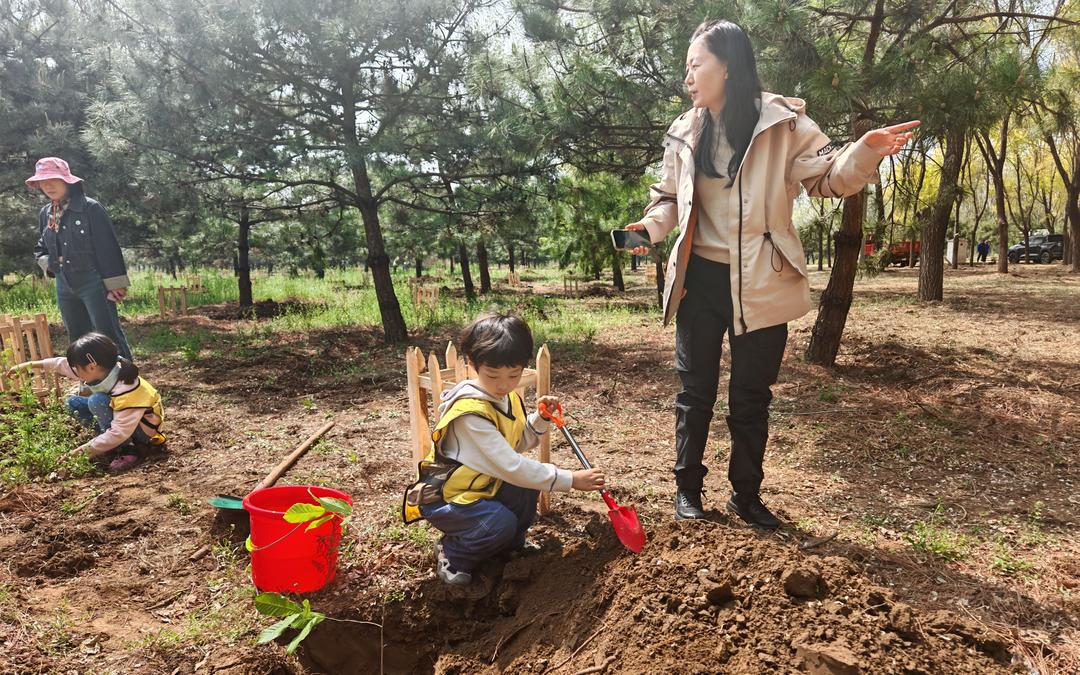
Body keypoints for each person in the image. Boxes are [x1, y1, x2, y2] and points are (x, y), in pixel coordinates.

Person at [624, 20, 918, 529]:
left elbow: (828, 178)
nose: (688, 77)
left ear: (728, 66)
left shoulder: (783, 123)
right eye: (687, 68)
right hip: (701, 281)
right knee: (695, 394)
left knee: (751, 396)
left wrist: (865, 150)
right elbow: (668, 200)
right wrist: (647, 231)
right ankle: (687, 492)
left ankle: (746, 495)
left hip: (762, 278)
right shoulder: (685, 129)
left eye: (696, 65)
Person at [402, 313, 606, 585]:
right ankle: (454, 553)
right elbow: (510, 466)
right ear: (473, 364)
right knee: (498, 522)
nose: (504, 384)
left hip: (483, 486)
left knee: (525, 488)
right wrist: (569, 479)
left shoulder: (504, 398)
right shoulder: (470, 415)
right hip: (450, 498)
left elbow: (517, 442)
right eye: (493, 375)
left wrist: (539, 419)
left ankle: (509, 546)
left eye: (514, 375)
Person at [7, 333, 165, 473]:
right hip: (123, 423)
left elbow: (119, 432)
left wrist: (77, 454)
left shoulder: (127, 388)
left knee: (97, 401)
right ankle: (105, 442)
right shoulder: (105, 369)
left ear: (91, 366)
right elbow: (62, 365)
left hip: (143, 431)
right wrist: (30, 365)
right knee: (73, 403)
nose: (73, 371)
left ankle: (128, 450)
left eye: (76, 367)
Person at [26, 157, 134, 361]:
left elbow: (108, 247)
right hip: (63, 284)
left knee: (107, 335)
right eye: (43, 181)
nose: (48, 185)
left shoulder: (90, 208)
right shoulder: (46, 213)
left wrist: (116, 284)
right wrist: (49, 264)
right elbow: (41, 247)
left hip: (93, 281)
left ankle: (126, 383)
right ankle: (90, 382)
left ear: (67, 180)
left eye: (53, 179)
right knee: (77, 338)